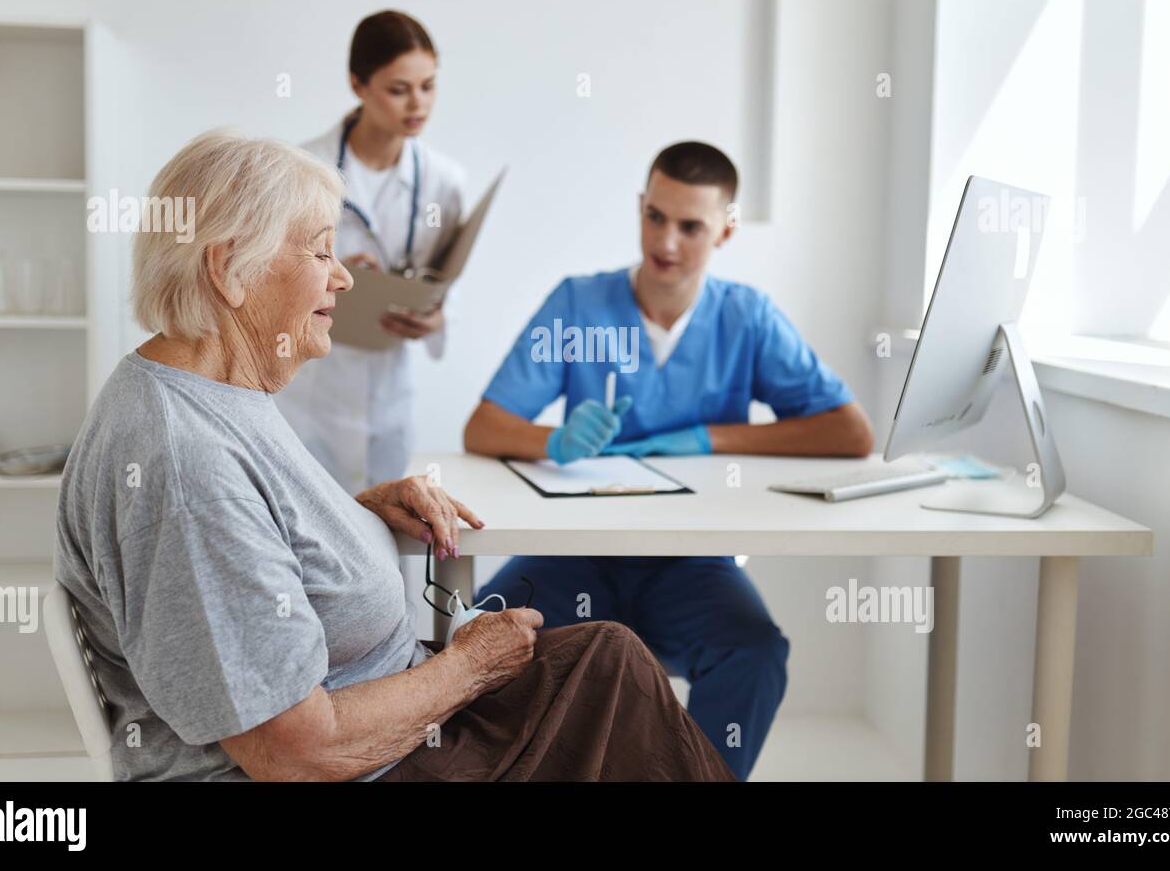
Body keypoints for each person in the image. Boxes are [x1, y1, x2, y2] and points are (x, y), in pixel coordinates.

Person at [53, 129, 734, 782]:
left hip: (390, 732)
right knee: (611, 682)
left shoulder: (210, 396)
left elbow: (246, 553)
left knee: (607, 660)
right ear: (230, 269)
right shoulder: (183, 459)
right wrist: (468, 668)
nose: (345, 280)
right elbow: (293, 753)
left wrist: (350, 516)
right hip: (363, 767)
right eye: (321, 253)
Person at [463, 141, 875, 779]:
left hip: (689, 564)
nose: (668, 241)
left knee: (754, 651)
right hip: (577, 554)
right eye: (656, 216)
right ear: (640, 206)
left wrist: (712, 438)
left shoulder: (747, 318)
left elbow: (849, 432)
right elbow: (483, 426)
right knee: (478, 638)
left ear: (727, 229)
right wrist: (554, 442)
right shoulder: (579, 304)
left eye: (691, 226)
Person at [275, 9, 466, 492]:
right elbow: (269, 277)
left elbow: (446, 280)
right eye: (398, 89)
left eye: (428, 86)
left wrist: (436, 318)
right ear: (358, 84)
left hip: (389, 397)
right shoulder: (302, 168)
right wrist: (325, 267)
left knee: (385, 550)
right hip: (312, 397)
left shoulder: (444, 181)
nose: (417, 103)